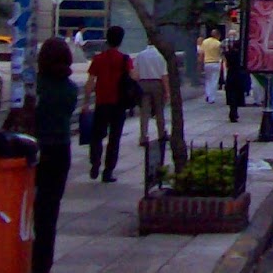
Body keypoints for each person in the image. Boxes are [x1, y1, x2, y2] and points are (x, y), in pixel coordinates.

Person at [32, 36, 78, 273]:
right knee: (49, 211)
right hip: (60, 148)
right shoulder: (70, 89)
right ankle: (43, 263)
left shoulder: (36, 86)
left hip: (35, 147)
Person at [83, 25, 133, 182]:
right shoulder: (125, 59)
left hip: (101, 102)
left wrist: (86, 102)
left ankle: (95, 162)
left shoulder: (98, 59)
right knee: (114, 138)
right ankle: (108, 171)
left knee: (96, 136)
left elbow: (90, 82)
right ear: (120, 40)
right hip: (118, 103)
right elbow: (134, 77)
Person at [131, 40, 170, 148]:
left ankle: (143, 136)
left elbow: (135, 72)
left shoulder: (140, 55)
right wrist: (167, 91)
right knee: (159, 110)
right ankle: (161, 133)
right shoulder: (160, 56)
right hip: (157, 83)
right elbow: (164, 75)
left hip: (143, 83)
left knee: (144, 112)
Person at [198, 28, 223, 105]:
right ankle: (212, 98)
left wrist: (200, 63)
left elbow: (201, 54)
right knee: (214, 81)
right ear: (218, 35)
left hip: (207, 63)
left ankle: (208, 94)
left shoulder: (205, 42)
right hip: (215, 63)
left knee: (208, 80)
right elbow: (221, 54)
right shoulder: (218, 43)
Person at [223, 43, 247, 124]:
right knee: (237, 95)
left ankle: (232, 112)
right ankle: (234, 112)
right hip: (239, 75)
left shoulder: (228, 54)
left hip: (230, 75)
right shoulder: (242, 55)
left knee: (231, 94)